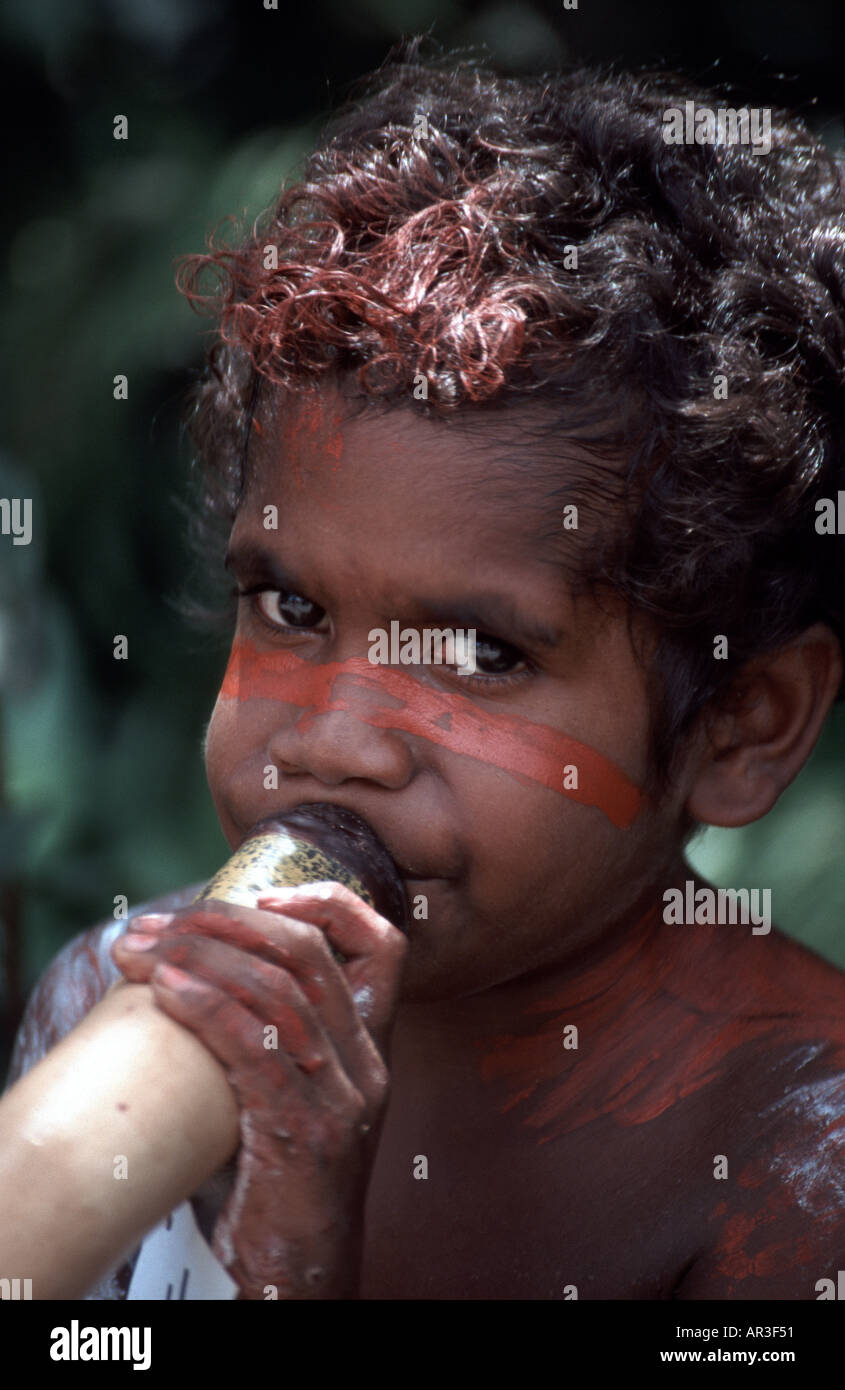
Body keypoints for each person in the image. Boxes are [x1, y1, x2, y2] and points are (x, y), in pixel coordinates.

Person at [5, 37, 845, 1300]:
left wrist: (295, 1263)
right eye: (291, 606)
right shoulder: (111, 1010)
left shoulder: (797, 1162)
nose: (337, 740)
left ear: (738, 728)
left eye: (478, 653)